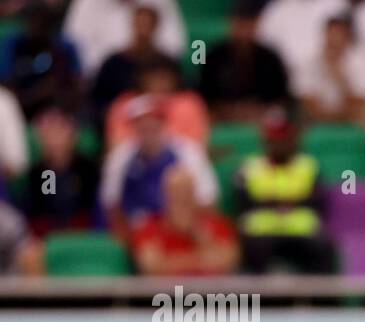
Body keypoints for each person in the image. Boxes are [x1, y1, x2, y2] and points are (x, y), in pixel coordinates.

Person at [100, 94, 218, 237]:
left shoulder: (188, 152)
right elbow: (111, 204)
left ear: (163, 123)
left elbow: (207, 200)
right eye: (141, 123)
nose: (148, 127)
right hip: (136, 231)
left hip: (179, 229)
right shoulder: (120, 157)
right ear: (134, 126)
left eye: (153, 121)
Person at [232, 110, 334, 273]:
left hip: (301, 230)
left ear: (293, 140)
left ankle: (319, 298)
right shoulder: (249, 167)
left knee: (324, 249)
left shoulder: (308, 166)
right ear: (267, 141)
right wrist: (293, 202)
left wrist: (270, 201)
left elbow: (318, 201)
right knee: (251, 251)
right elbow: (244, 203)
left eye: (284, 140)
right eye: (275, 140)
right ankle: (263, 299)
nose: (280, 145)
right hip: (261, 231)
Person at [130, 165, 239, 275]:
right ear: (164, 196)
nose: (181, 197)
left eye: (186, 191)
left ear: (195, 194)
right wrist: (202, 259)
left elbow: (228, 262)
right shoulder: (149, 227)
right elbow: (151, 267)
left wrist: (197, 233)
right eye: (175, 192)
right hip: (167, 291)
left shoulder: (217, 224)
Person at [198, 1, 291, 124]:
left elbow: (279, 96)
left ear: (256, 25)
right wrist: (229, 110)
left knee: (278, 116)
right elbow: (204, 94)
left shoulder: (270, 57)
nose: (244, 31)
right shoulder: (214, 56)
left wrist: (255, 110)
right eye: (240, 24)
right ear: (231, 24)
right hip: (222, 115)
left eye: (248, 25)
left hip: (261, 115)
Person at [22, 108, 101, 236]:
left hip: (86, 236)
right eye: (49, 134)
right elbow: (39, 213)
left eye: (59, 132)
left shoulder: (87, 170)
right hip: (50, 238)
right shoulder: (40, 173)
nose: (54, 140)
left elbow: (96, 211)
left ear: (73, 135)